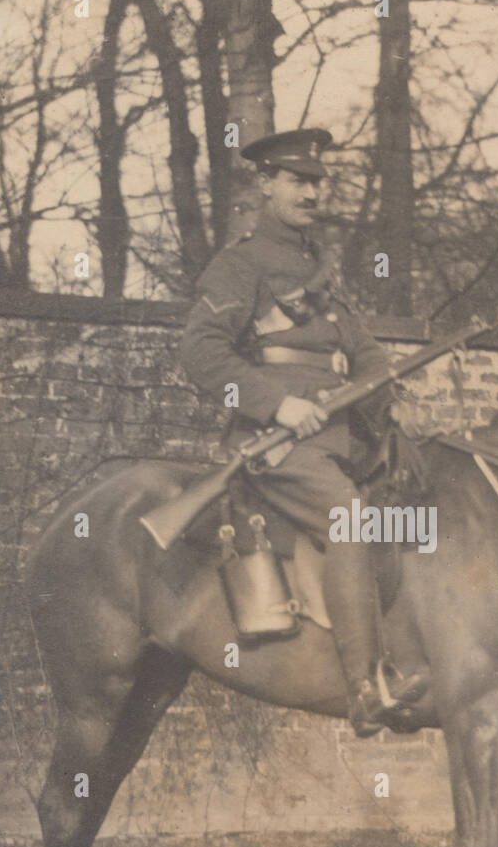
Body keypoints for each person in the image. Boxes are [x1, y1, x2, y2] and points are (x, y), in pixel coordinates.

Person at [180, 128, 427, 737]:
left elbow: (368, 360)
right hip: (278, 446)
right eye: (296, 180)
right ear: (265, 185)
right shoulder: (240, 264)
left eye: (317, 180)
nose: (311, 192)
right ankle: (367, 689)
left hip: (341, 444)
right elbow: (201, 354)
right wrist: (280, 404)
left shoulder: (321, 273)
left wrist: (388, 394)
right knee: (348, 518)